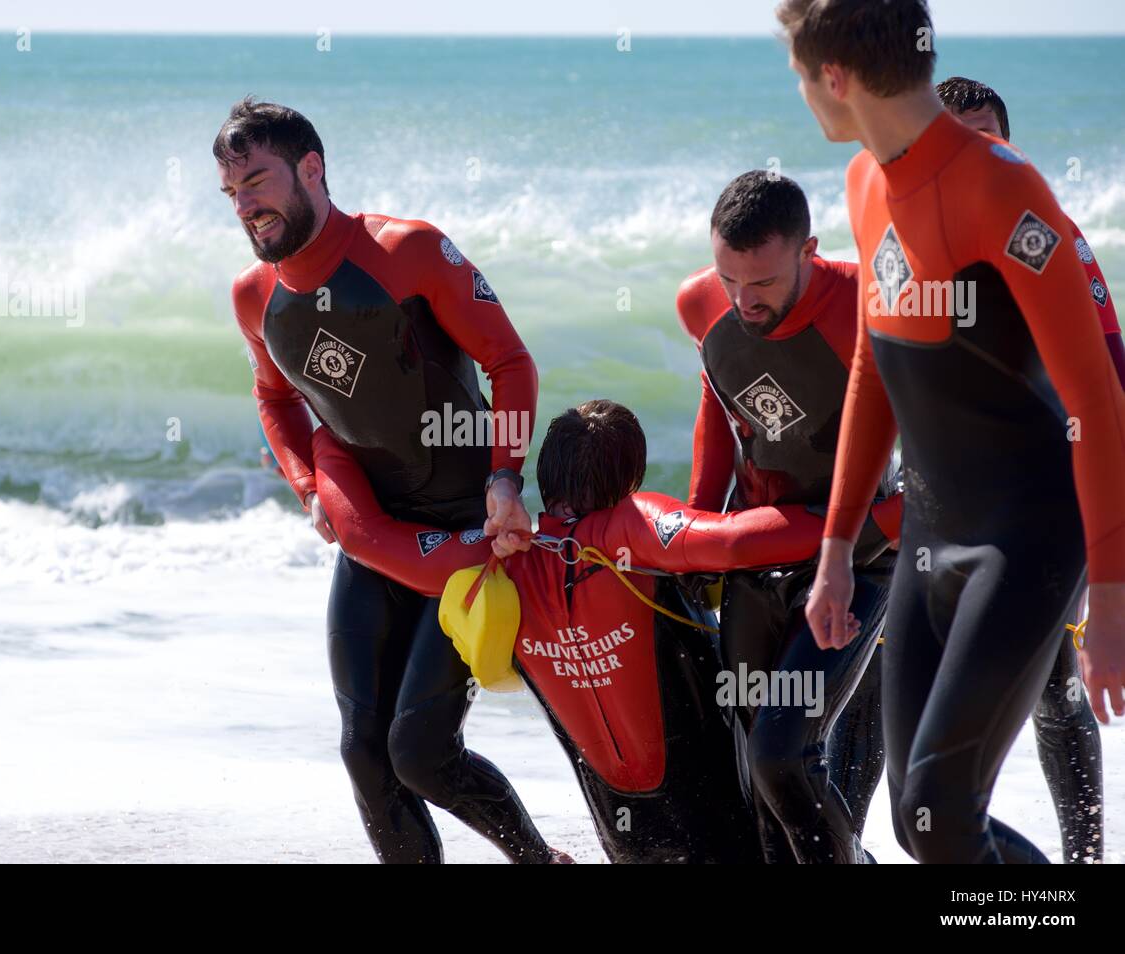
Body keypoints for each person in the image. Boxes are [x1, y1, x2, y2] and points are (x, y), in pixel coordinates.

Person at [778, 0, 1125, 863]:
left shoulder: (1001, 187)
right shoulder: (866, 180)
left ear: (835, 78)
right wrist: (835, 547)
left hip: (1027, 539)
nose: (798, 92)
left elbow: (1097, 400)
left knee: (938, 805)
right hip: (932, 534)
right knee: (920, 820)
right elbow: (871, 367)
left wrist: (1114, 597)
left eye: (796, 72)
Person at [314, 399, 903, 862]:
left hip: (628, 844)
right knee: (864, 636)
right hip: (727, 838)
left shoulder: (496, 557)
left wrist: (322, 448)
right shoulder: (630, 530)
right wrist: (887, 516)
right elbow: (740, 539)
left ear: (546, 474)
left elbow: (366, 536)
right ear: (630, 479)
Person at [217, 98, 556, 863]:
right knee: (363, 754)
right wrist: (310, 489)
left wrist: (507, 479)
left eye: (258, 181)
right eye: (232, 192)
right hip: (378, 542)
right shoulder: (254, 297)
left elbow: (510, 363)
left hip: (467, 532)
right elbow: (273, 398)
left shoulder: (410, 251)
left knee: (421, 754)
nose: (246, 206)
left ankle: (538, 860)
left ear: (312, 168)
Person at [677, 171, 900, 863]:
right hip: (755, 550)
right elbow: (720, 408)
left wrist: (895, 530)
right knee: (759, 780)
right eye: (729, 278)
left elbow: (941, 442)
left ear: (810, 250)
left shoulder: (873, 305)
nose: (742, 300)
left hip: (860, 555)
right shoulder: (701, 304)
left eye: (763, 283)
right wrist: (693, 529)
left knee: (782, 753)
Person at [932, 75, 1112, 864]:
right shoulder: (913, 240)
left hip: (1050, 500)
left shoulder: (1053, 237)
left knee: (1049, 685)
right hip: (955, 500)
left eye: (991, 144)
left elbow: (1111, 378)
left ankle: (1079, 861)